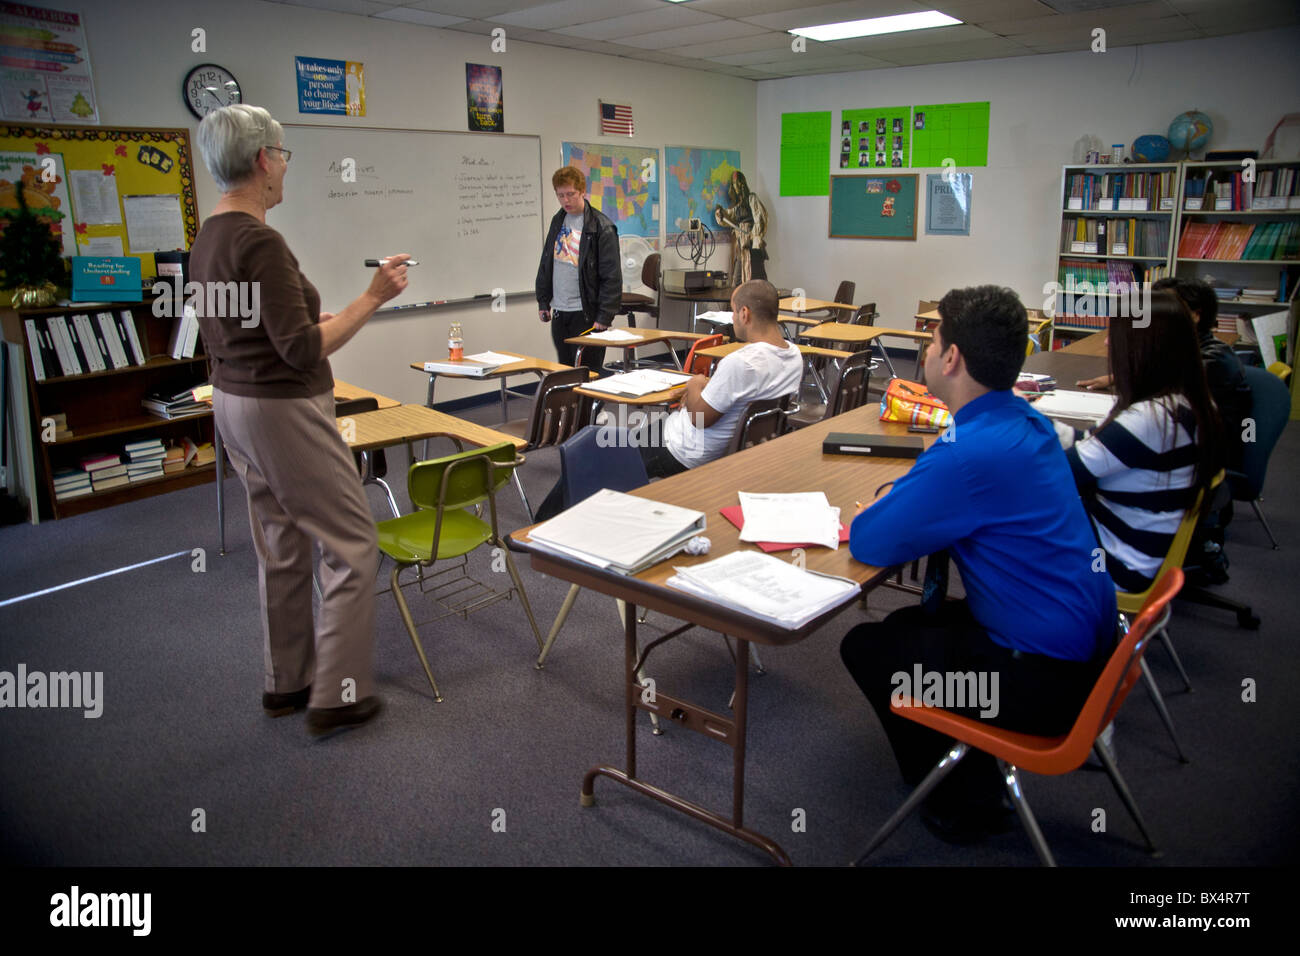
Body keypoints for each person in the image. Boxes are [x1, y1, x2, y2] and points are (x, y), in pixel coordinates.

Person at [839, 285, 1117, 844]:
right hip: (1091, 654)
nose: (925, 346)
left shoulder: (968, 451)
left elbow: (870, 540)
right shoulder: (1025, 421)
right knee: (903, 628)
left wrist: (893, 506)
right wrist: (912, 496)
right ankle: (963, 759)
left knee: (864, 647)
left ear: (952, 358)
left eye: (933, 336)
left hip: (1042, 682)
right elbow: (952, 494)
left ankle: (962, 799)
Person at [189, 104, 409, 737]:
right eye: (283, 154)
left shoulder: (210, 236)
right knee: (352, 544)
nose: (285, 166)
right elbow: (303, 348)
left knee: (282, 543)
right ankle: (339, 695)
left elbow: (261, 333)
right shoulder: (258, 241)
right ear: (262, 160)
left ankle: (285, 683)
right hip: (281, 407)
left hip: (232, 403)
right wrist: (372, 298)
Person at [1059, 290, 1225, 594]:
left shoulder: (1149, 420)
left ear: (1144, 347)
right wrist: (1036, 420)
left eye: (1115, 335)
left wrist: (1012, 421)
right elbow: (1094, 443)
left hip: (1117, 564)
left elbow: (1056, 473)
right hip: (1137, 543)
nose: (1108, 343)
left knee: (1009, 507)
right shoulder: (1186, 402)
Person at [639, 279, 802, 479]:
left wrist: (695, 384)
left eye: (733, 312)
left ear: (744, 314)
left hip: (683, 450)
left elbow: (699, 418)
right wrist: (705, 389)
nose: (733, 318)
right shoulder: (794, 356)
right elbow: (747, 391)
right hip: (734, 451)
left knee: (609, 449)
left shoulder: (741, 363)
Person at [535, 166, 621, 373]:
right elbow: (547, 262)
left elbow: (612, 275)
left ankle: (592, 407)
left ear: (582, 191)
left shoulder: (601, 226)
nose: (566, 200)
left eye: (571, 194)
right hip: (560, 312)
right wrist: (543, 300)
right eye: (561, 195)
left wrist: (604, 315)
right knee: (565, 371)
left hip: (586, 314)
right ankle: (572, 408)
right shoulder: (558, 220)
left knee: (588, 372)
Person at [712, 171, 769, 283]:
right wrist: (721, 213)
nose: (736, 185)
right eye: (733, 183)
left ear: (742, 184)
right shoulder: (737, 207)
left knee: (756, 279)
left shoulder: (751, 198)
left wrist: (754, 236)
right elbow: (728, 217)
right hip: (741, 246)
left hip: (753, 246)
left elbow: (760, 218)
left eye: (738, 182)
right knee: (737, 279)